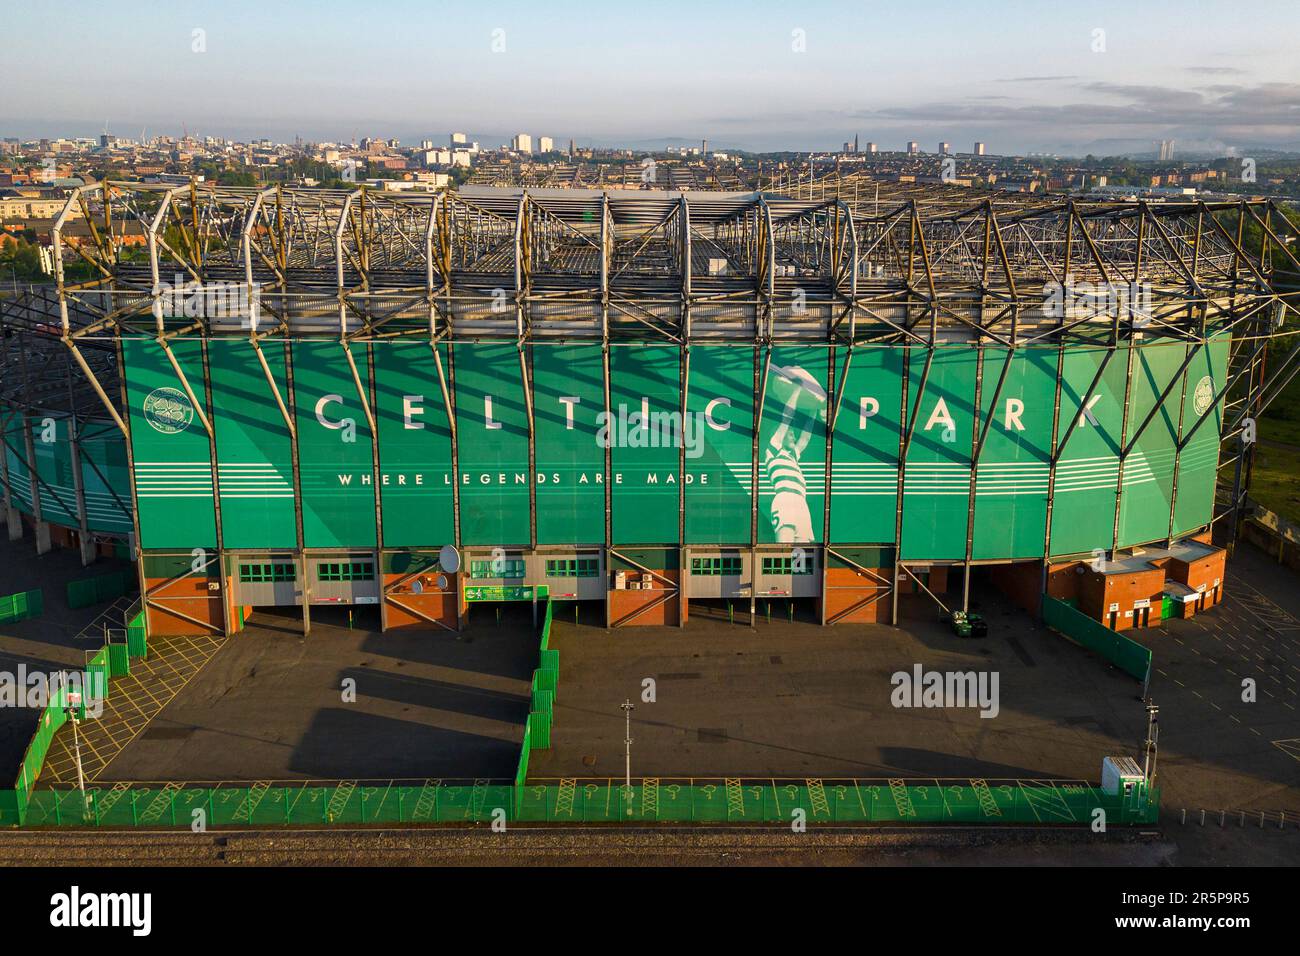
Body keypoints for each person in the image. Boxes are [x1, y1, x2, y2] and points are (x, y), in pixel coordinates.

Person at [764, 364, 825, 543]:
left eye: (792, 433)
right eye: (789, 434)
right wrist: (796, 390)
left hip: (801, 502)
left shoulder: (793, 456)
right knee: (785, 547)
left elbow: (805, 437)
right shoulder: (773, 450)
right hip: (785, 499)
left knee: (803, 552)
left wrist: (815, 408)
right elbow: (786, 419)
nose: (792, 434)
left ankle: (799, 572)